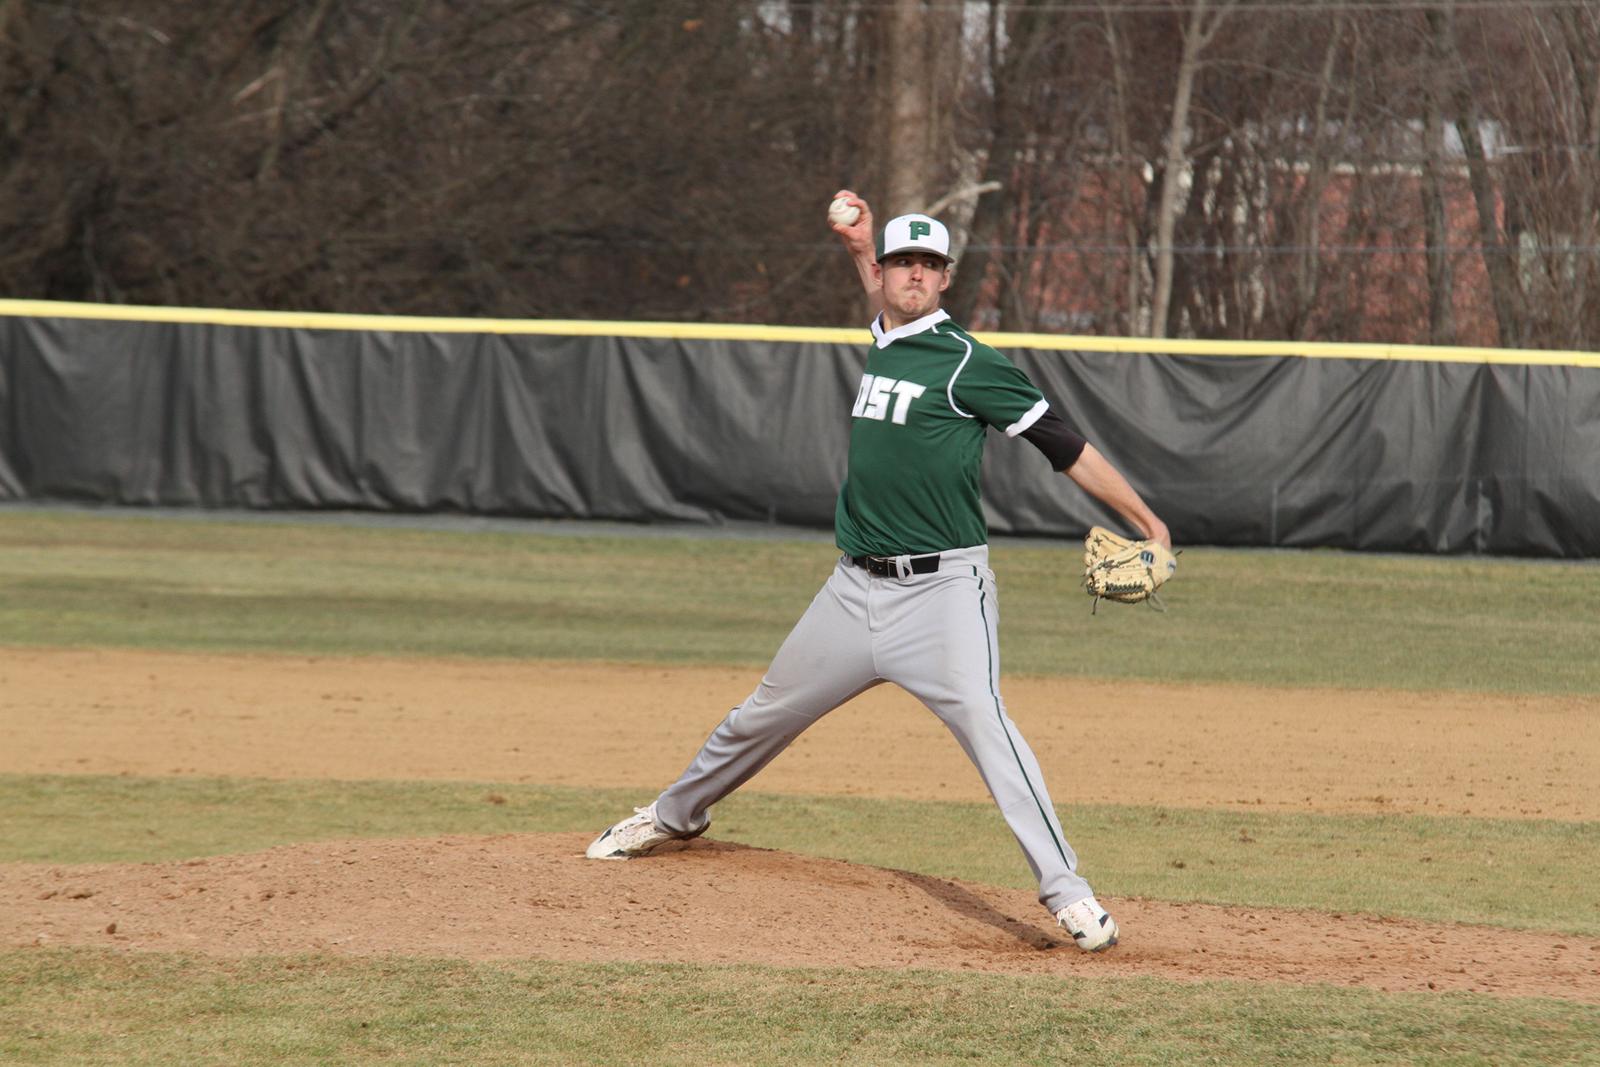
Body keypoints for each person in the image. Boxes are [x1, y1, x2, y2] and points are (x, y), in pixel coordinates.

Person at [585, 189, 1171, 952]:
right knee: (759, 716)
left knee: (991, 733)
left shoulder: (969, 363)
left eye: (929, 264)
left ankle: (1069, 894)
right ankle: (673, 816)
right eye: (903, 263)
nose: (914, 276)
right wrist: (859, 245)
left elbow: (1066, 445)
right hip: (851, 589)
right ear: (889, 273)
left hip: (942, 594)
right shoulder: (886, 336)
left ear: (946, 278)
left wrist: (1150, 525)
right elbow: (881, 302)